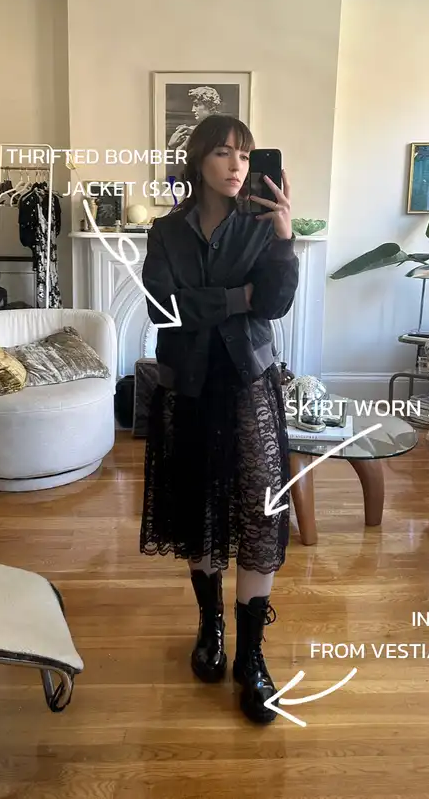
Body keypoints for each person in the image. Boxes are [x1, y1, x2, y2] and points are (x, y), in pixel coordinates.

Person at [140, 114, 299, 724]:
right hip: (187, 386)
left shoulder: (262, 227)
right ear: (199, 160)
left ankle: (252, 655)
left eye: (246, 155)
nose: (237, 166)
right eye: (224, 153)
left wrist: (283, 237)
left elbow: (275, 303)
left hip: (248, 383)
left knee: (260, 513)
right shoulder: (165, 232)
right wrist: (238, 298)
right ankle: (210, 625)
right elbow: (162, 310)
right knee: (196, 510)